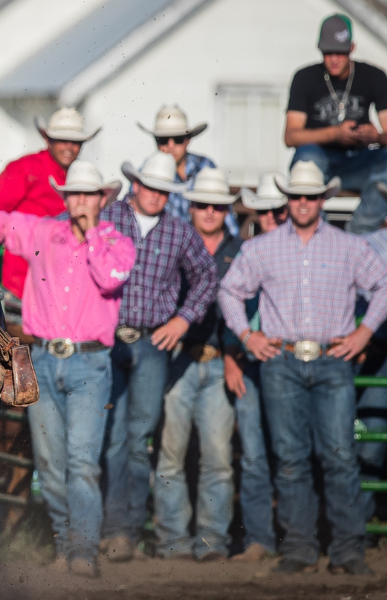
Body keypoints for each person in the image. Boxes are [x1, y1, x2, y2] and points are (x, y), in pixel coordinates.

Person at [218, 160, 387, 576]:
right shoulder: (261, 248)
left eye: (310, 196)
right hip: (280, 359)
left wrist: (363, 333)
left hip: (331, 358)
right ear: (288, 199)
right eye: (297, 195)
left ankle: (347, 549)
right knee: (290, 458)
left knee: (339, 454)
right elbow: (229, 290)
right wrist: (248, 336)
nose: (303, 202)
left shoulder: (348, 246)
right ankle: (299, 548)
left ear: (322, 199)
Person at [0, 160, 136, 577]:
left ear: (102, 199)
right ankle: (68, 543)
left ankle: (80, 548)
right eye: (74, 194)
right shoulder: (44, 232)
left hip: (89, 363)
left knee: (81, 460)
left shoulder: (117, 243)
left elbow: (110, 277)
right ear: (65, 197)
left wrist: (91, 234)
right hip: (44, 359)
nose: (79, 201)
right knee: (49, 462)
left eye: (87, 194)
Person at [99, 152, 219, 562]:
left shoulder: (179, 232)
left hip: (153, 343)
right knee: (112, 437)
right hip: (107, 340)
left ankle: (124, 531)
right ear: (136, 184)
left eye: (163, 190)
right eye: (150, 186)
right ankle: (112, 527)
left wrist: (183, 321)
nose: (155, 194)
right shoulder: (108, 217)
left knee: (135, 438)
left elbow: (207, 276)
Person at [152, 168, 239, 562]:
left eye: (216, 205)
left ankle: (212, 542)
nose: (208, 211)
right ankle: (172, 541)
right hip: (178, 359)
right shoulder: (176, 245)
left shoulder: (239, 252)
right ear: (191, 207)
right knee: (172, 454)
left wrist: (234, 354)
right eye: (202, 204)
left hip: (219, 361)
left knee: (217, 457)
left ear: (226, 209)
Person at [285, 13, 387, 234]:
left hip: (360, 161)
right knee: (307, 155)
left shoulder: (375, 76)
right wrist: (334, 134)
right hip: (321, 162)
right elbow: (291, 136)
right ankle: (319, 234)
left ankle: (359, 234)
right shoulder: (305, 77)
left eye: (340, 52)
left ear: (352, 48)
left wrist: (375, 137)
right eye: (328, 52)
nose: (334, 59)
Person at [226, 174, 287, 563]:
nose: (270, 217)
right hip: (250, 365)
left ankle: (299, 537)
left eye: (276, 210)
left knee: (293, 452)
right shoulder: (245, 256)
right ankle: (260, 539)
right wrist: (232, 357)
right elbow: (227, 312)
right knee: (253, 453)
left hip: (289, 364)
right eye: (263, 211)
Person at [0, 107, 100, 298]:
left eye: (76, 142)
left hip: (60, 285)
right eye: (62, 140)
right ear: (48, 139)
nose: (69, 147)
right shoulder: (25, 169)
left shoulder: (81, 180)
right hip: (17, 283)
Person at [356, 169, 387, 522]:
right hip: (384, 345)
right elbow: (363, 290)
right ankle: (366, 520)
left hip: (386, 340)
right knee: (372, 435)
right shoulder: (373, 245)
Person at [135, 105, 232, 234]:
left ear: (188, 140)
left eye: (178, 139)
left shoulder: (206, 165)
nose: (171, 146)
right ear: (156, 141)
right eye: (163, 140)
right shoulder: (146, 170)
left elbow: (227, 216)